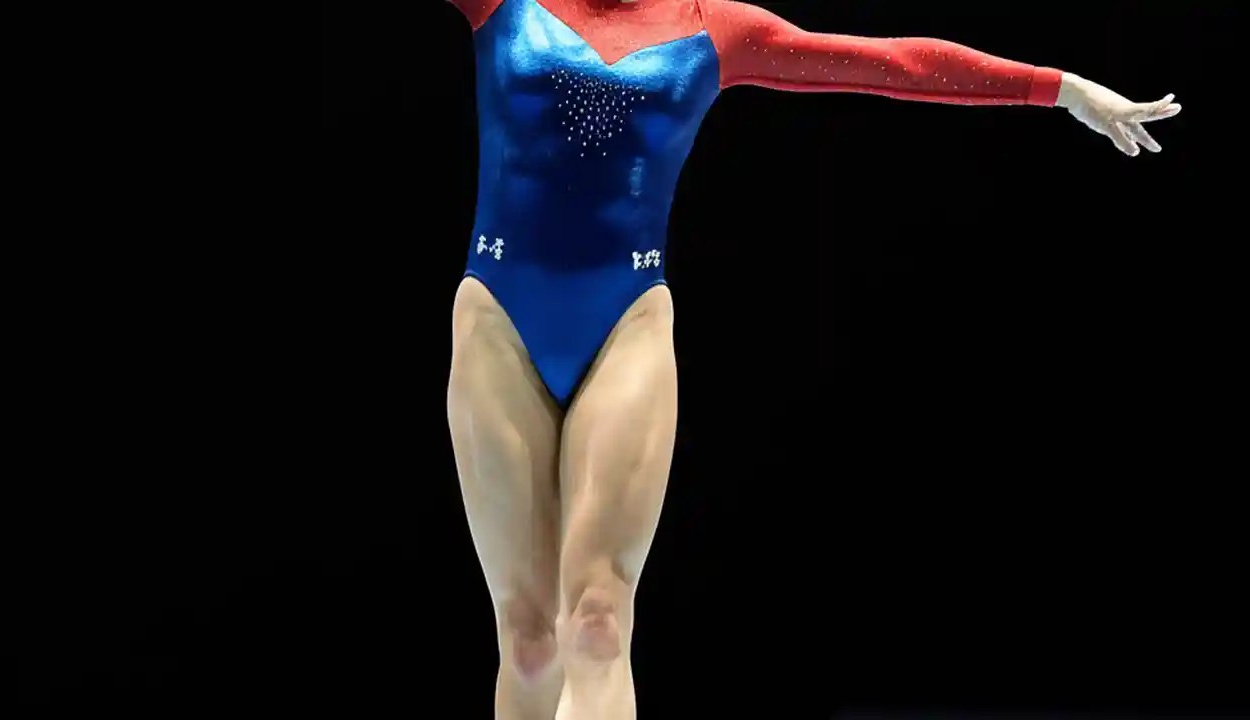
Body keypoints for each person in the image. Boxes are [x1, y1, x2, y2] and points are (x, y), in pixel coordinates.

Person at [440, 1, 1180, 717]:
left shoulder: (714, 28)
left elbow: (894, 64)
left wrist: (1059, 88)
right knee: (530, 640)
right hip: (500, 319)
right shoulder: (503, 4)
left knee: (599, 620)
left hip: (625, 322)